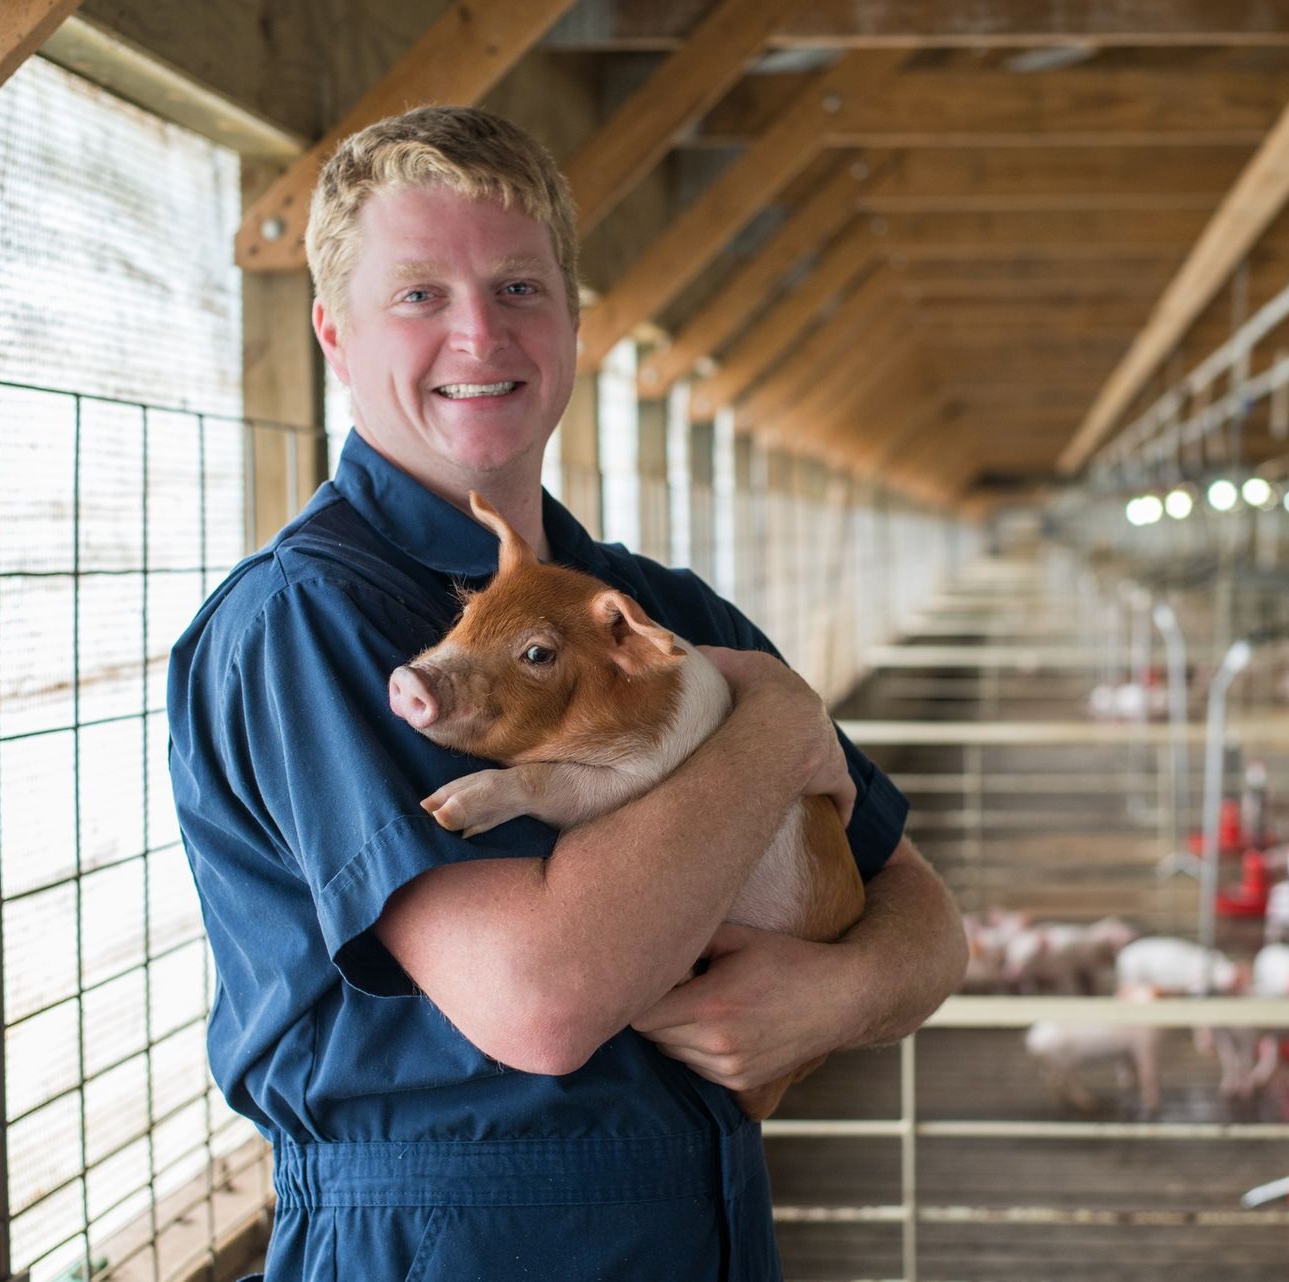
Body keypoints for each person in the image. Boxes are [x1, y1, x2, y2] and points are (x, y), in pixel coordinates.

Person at [167, 105, 965, 1281]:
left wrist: (838, 993)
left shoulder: (650, 608)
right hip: (446, 1242)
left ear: (577, 323)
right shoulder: (314, 620)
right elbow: (540, 1003)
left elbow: (931, 923)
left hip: (702, 1223)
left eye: (522, 289)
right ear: (335, 334)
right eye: (419, 295)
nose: (480, 333)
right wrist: (777, 730)